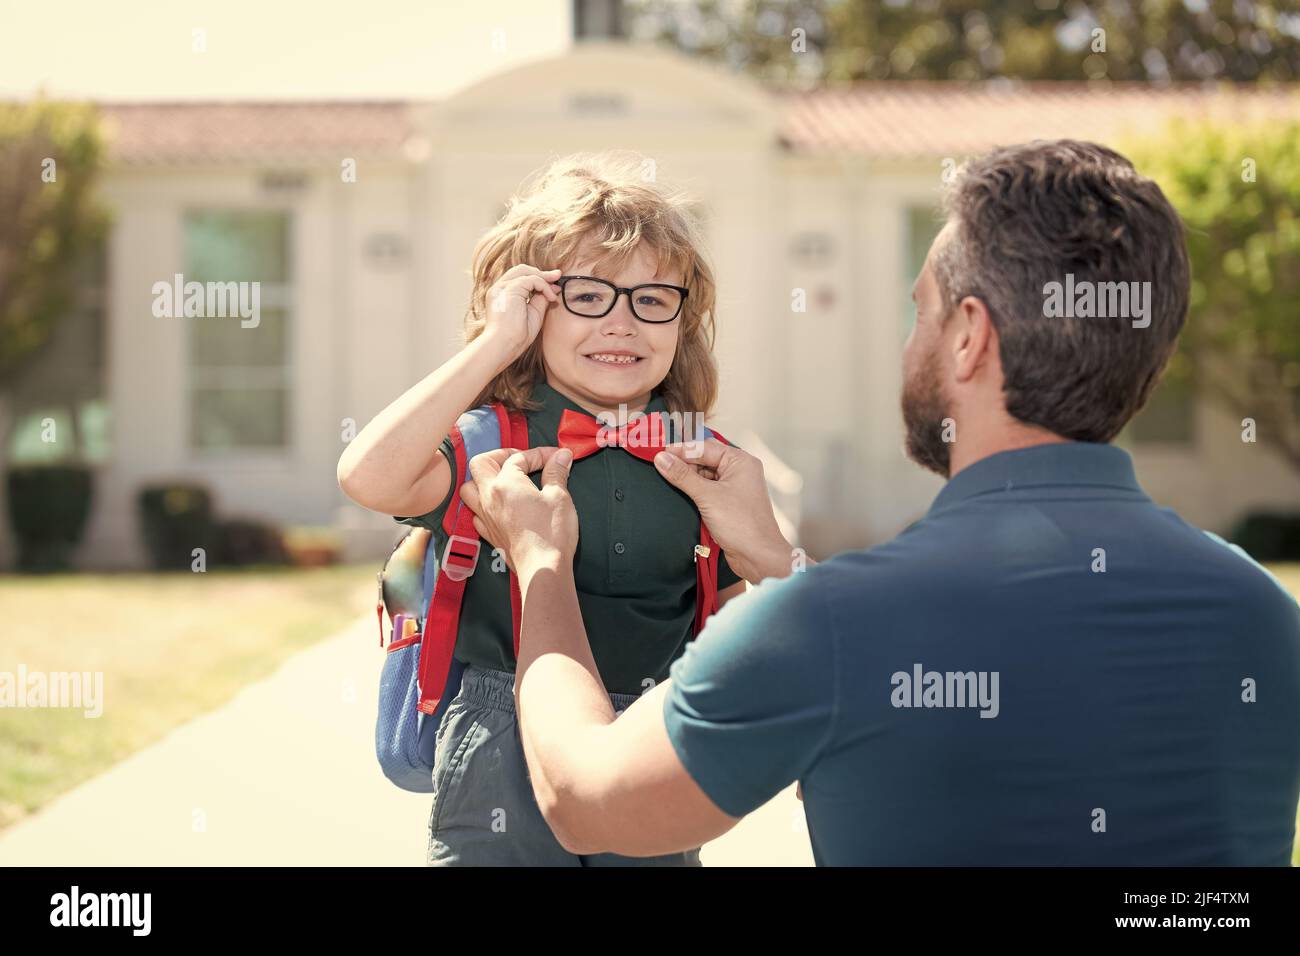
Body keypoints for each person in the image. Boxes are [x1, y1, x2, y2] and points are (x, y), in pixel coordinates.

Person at [460, 140, 1300, 865]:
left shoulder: (829, 624)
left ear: (968, 338)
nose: (908, 345)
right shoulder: (1263, 611)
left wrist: (540, 563)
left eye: (920, 313)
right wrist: (772, 560)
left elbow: (585, 797)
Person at [337, 151, 747, 866]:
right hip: (503, 738)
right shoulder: (493, 442)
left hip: (647, 736)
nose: (623, 323)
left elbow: (745, 606)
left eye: (653, 299)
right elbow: (369, 476)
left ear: (685, 318)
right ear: (533, 307)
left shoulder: (706, 458)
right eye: (589, 295)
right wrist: (493, 347)